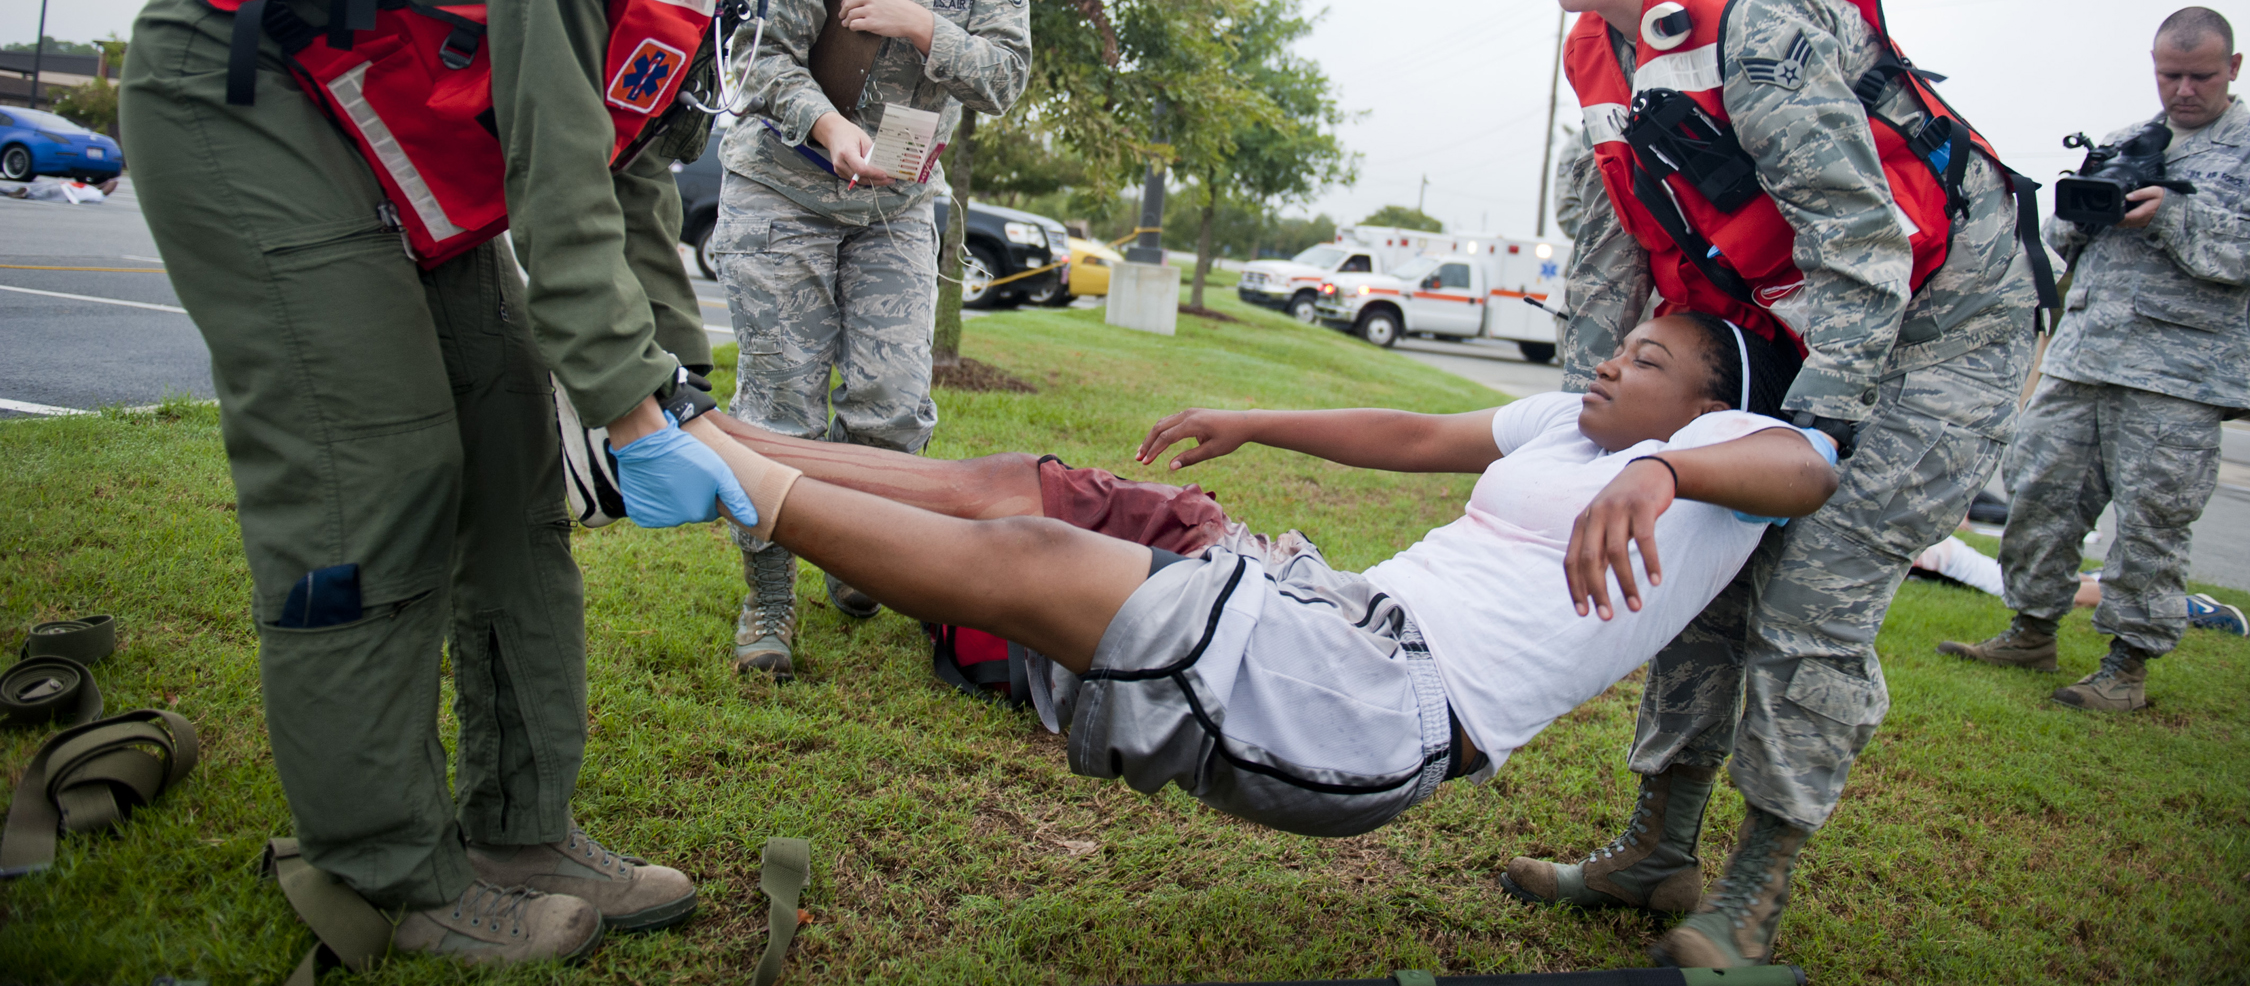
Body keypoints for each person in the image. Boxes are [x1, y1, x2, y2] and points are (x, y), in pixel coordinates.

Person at [117, 0, 888, 966]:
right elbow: (551, 167)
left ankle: (521, 825)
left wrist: (672, 381)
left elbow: (631, 160)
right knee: (376, 470)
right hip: (246, 92)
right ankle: (381, 867)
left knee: (510, 473)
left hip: (390, 135)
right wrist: (626, 406)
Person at [1498, 0, 2049, 969]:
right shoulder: (1594, 47)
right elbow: (1603, 249)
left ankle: (1756, 885)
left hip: (1945, 327)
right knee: (1701, 562)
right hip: (1794, 323)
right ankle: (1659, 847)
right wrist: (1588, 415)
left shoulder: (1758, 24)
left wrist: (1821, 434)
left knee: (1814, 586)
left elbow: (1863, 243)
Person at [676, 312, 1836, 841]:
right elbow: (1415, 435)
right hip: (1321, 603)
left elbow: (1810, 468)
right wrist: (1257, 420)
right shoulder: (1571, 429)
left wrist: (1668, 477)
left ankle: (709, 467)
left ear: (1707, 403)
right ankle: (728, 433)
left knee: (1028, 563)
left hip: (1386, 708)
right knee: (1027, 486)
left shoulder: (1729, 468)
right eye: (1620, 341)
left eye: (1644, 359)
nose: (1608, 360)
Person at [711, 0, 1032, 679]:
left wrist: (920, 23)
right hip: (786, 191)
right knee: (780, 408)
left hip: (897, 202)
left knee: (893, 406)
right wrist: (823, 125)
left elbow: (1007, 75)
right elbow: (758, 59)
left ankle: (861, 553)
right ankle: (768, 595)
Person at [1940, 7, 2249, 708]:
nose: (2183, 90)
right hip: (2083, 360)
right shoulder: (2124, 140)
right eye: (2169, 74)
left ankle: (2128, 667)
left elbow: (2240, 255)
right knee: (2038, 495)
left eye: (2200, 75)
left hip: (2179, 377)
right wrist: (2078, 211)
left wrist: (2169, 213)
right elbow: (2061, 236)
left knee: (2152, 523)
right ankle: (2030, 629)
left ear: (2232, 68)